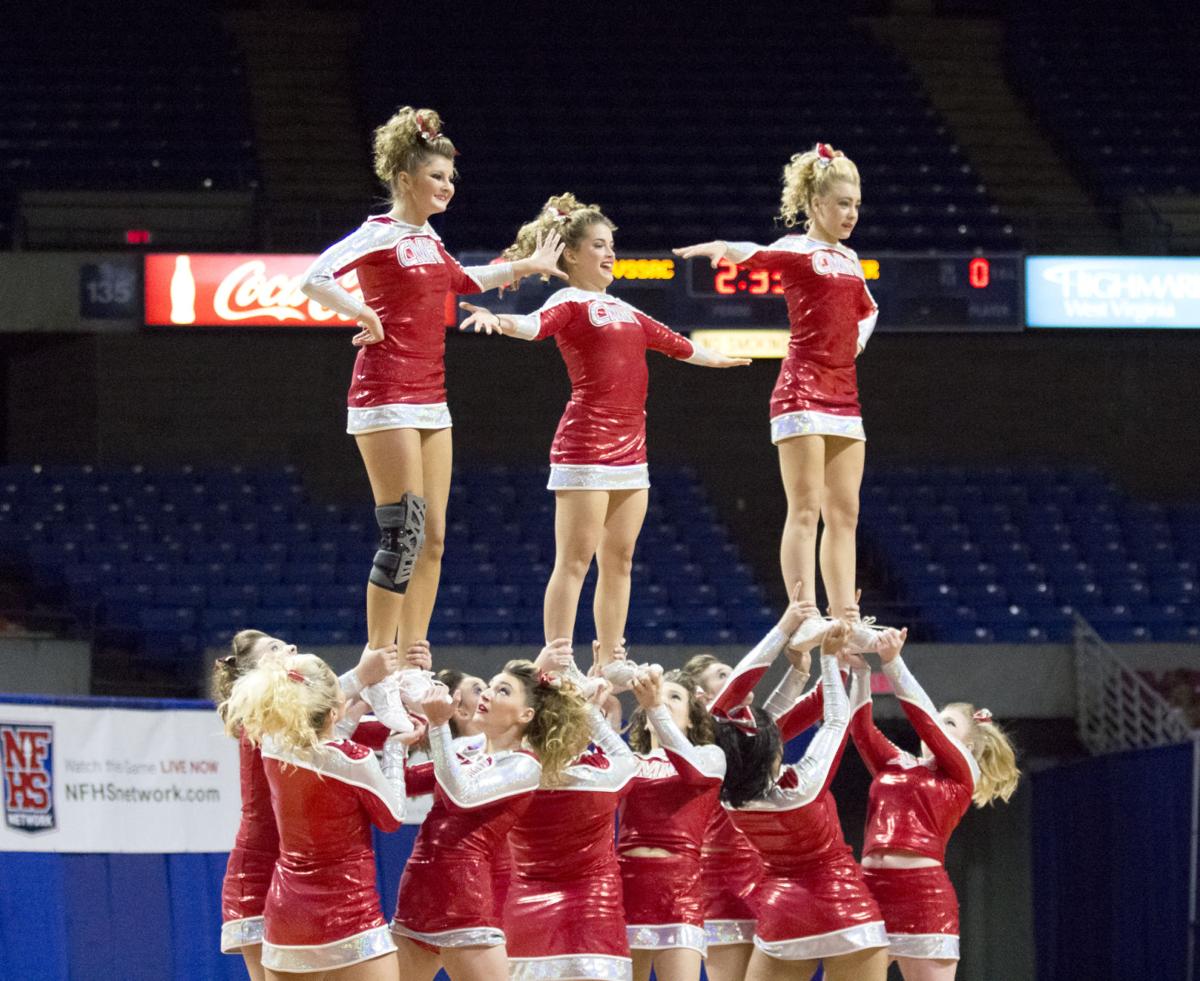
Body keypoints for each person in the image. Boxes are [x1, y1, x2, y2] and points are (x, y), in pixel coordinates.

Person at [300, 106, 566, 655]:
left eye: (451, 178)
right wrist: (363, 313)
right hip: (384, 391)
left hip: (431, 395)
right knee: (403, 532)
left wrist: (525, 265)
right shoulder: (378, 233)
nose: (447, 186)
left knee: (435, 539)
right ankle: (377, 657)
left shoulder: (429, 239)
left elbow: (465, 279)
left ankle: (410, 655)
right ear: (404, 179)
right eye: (436, 177)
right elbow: (315, 277)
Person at [458, 192, 749, 672]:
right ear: (571, 255)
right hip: (586, 445)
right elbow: (533, 326)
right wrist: (498, 320)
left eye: (612, 244)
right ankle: (558, 656)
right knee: (574, 561)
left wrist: (719, 358)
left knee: (621, 560)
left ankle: (611, 656)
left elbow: (676, 344)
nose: (610, 252)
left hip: (632, 450)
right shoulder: (569, 301)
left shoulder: (627, 310)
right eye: (598, 244)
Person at [674, 145, 883, 652]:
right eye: (840, 204)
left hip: (843, 393)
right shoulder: (799, 248)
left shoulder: (850, 258)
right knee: (806, 508)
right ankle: (804, 609)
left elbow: (870, 308)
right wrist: (721, 245)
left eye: (855, 204)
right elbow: (755, 253)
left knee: (845, 512)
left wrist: (856, 341)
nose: (850, 214)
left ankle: (847, 615)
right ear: (814, 203)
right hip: (802, 389)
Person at [711, 615, 889, 981]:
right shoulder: (799, 787)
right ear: (771, 750)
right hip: (845, 910)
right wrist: (829, 660)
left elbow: (760, 734)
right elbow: (837, 722)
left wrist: (804, 669)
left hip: (783, 917)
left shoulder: (729, 795)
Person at [391, 658, 592, 981]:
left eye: (502, 690)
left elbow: (462, 797)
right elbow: (406, 781)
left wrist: (439, 726)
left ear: (526, 715)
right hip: (417, 889)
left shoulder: (524, 766)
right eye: (488, 686)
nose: (487, 693)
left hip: (466, 900)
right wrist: (400, 727)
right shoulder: (466, 747)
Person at [213, 631, 398, 979]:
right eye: (275, 649)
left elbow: (337, 721)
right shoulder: (260, 720)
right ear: (254, 673)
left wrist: (393, 674)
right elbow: (325, 706)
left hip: (298, 884)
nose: (290, 649)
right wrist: (361, 674)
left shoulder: (302, 728)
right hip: (258, 874)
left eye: (287, 644)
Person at [849, 628, 1020, 981]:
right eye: (939, 719)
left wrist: (892, 663)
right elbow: (861, 729)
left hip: (922, 896)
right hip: (870, 889)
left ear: (969, 746)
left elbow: (925, 723)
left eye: (949, 723)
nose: (937, 726)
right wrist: (861, 671)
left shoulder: (962, 773)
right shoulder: (896, 762)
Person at [503, 669, 639, 981]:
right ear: (576, 727)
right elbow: (624, 757)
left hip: (525, 914)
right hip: (593, 915)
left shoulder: (511, 777)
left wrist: (552, 688)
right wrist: (589, 710)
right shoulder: (600, 780)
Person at [617, 667, 726, 981]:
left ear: (692, 718)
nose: (662, 701)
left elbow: (694, 775)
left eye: (673, 696)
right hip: (625, 888)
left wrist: (655, 707)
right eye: (656, 695)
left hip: (679, 892)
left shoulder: (709, 756)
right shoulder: (630, 762)